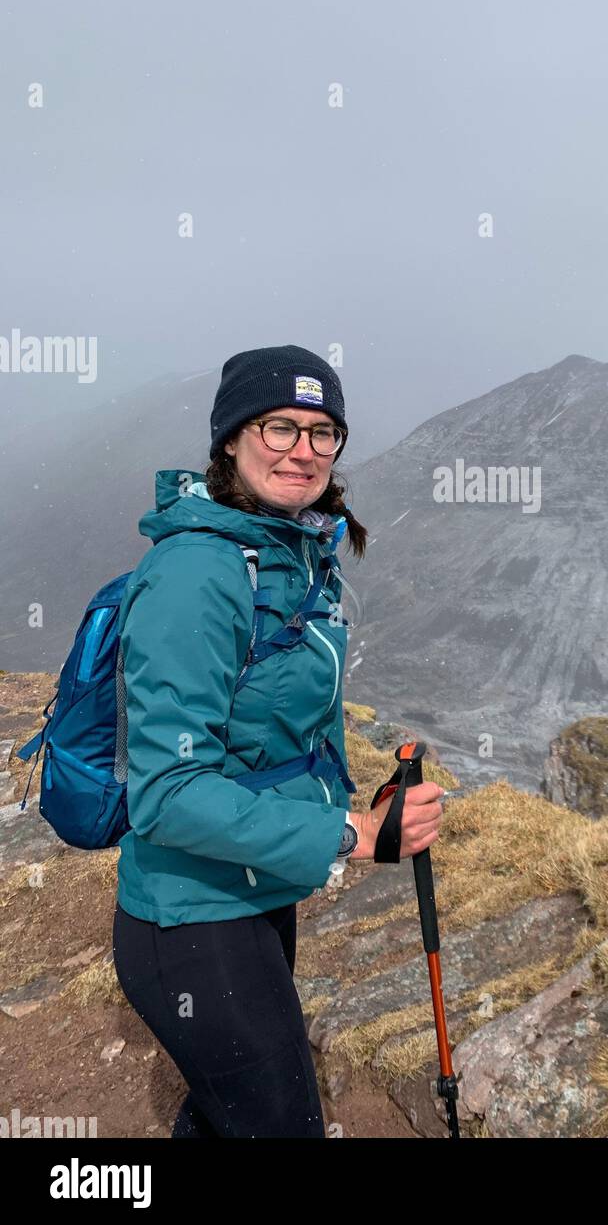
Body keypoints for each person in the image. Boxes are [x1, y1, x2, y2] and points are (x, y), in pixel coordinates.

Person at [111, 344, 444, 1137]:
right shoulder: (199, 572)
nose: (304, 450)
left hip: (253, 887)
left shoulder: (288, 552)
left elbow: (278, 726)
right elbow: (165, 793)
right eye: (279, 427)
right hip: (191, 917)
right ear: (230, 439)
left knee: (235, 1114)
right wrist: (345, 834)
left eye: (323, 432)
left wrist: (362, 798)